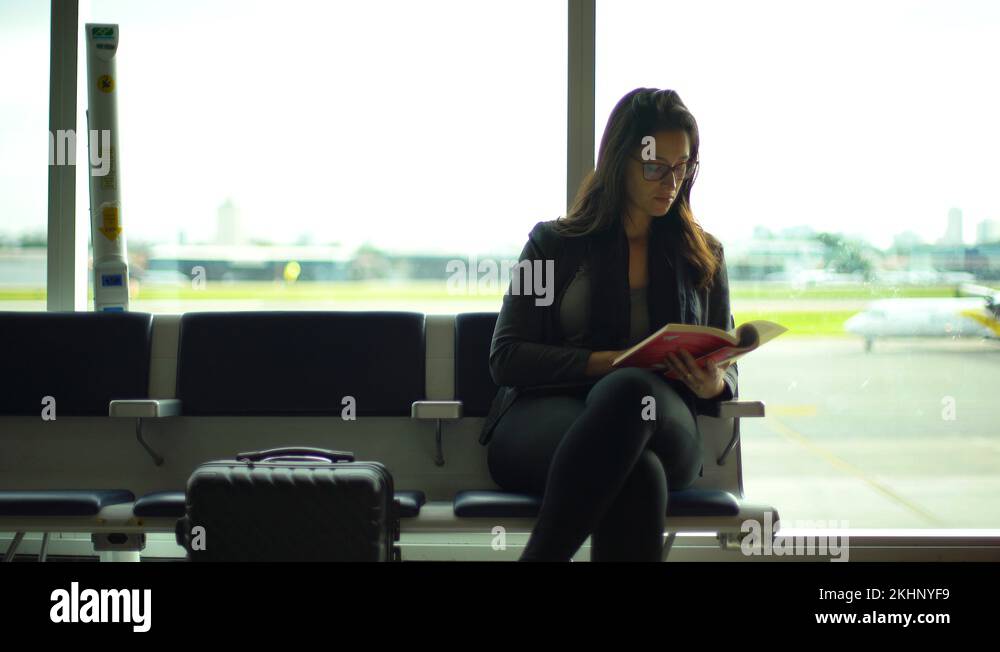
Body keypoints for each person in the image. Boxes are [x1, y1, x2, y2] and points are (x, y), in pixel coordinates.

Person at [481, 88, 737, 561]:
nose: (671, 180)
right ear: (619, 161)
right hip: (547, 418)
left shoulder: (703, 256)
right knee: (638, 471)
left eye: (683, 166)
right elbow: (507, 357)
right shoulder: (553, 245)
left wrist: (712, 383)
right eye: (655, 165)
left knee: (632, 393)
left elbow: (728, 369)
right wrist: (611, 363)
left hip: (664, 421)